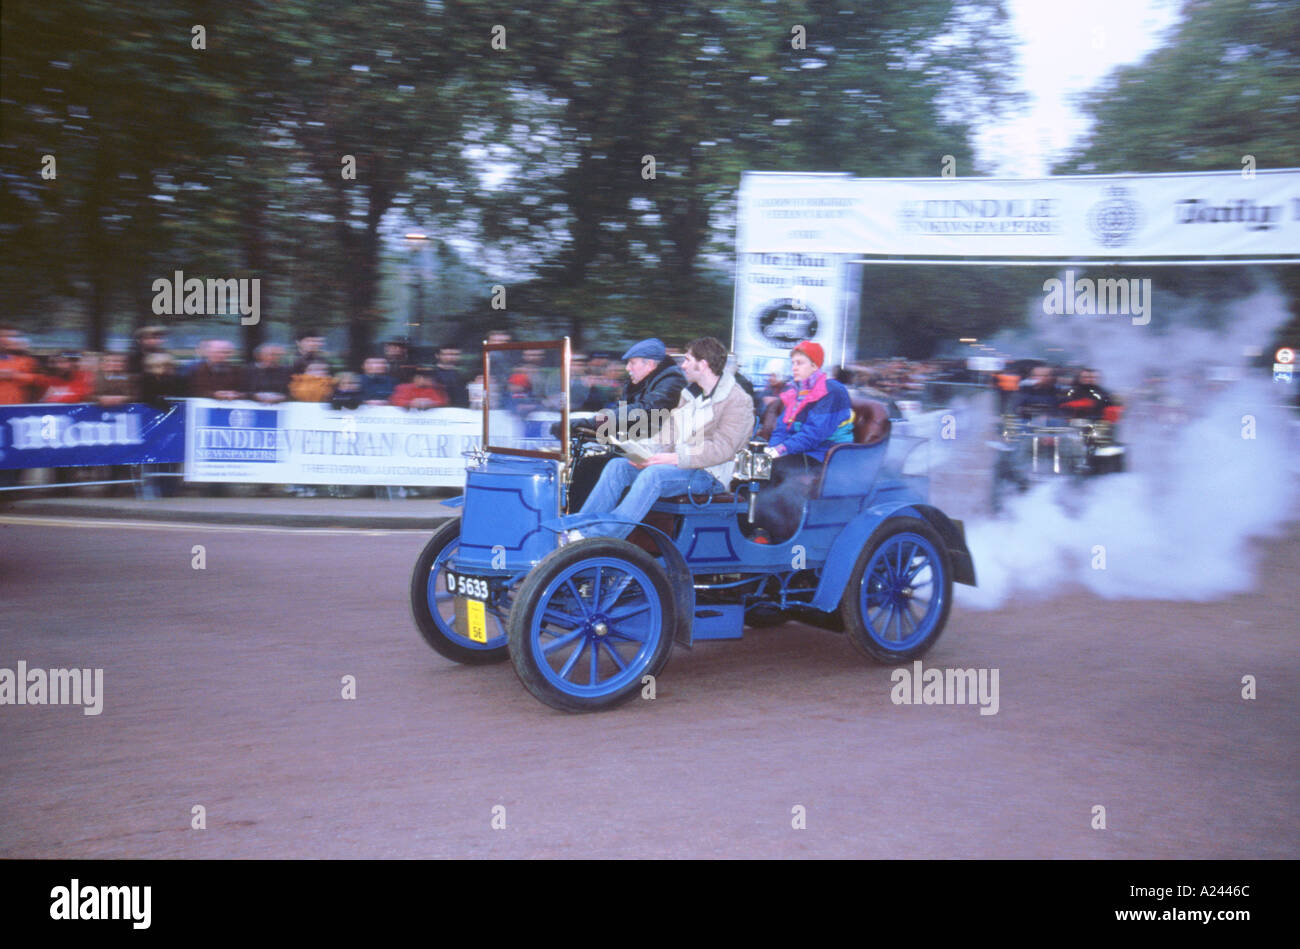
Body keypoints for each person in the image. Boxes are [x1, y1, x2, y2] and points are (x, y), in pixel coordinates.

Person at [575, 337, 754, 540]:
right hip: (681, 468)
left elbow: (723, 449)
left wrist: (674, 458)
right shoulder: (689, 395)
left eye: (687, 360)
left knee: (654, 475)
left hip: (710, 475)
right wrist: (641, 451)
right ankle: (581, 527)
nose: (683, 365)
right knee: (618, 466)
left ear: (703, 365)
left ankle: (601, 537)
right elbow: (667, 436)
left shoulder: (737, 400)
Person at [752, 340, 854, 542]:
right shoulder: (796, 392)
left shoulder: (832, 390)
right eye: (793, 363)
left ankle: (777, 536)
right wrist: (772, 450)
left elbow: (814, 434)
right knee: (753, 470)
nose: (794, 368)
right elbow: (782, 428)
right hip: (801, 453)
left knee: (773, 474)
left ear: (815, 366)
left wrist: (779, 451)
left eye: (800, 363)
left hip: (824, 457)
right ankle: (758, 529)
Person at [593, 338, 686, 439]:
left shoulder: (672, 380)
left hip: (658, 446)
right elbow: (620, 408)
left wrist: (595, 422)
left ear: (649, 365)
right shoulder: (636, 383)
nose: (627, 368)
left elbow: (643, 410)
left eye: (632, 363)